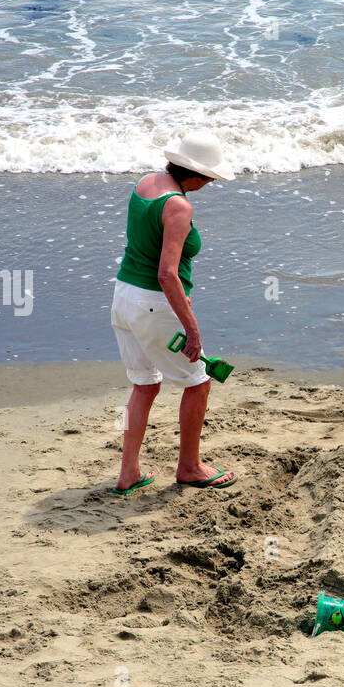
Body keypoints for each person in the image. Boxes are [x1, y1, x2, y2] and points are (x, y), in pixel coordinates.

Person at [108, 130, 238, 494]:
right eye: (209, 177)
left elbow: (147, 249)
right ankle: (190, 467)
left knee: (144, 384)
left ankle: (129, 473)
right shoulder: (179, 206)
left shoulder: (146, 183)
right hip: (153, 303)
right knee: (198, 382)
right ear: (196, 174)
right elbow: (167, 273)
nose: (210, 183)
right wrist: (191, 329)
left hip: (124, 296)